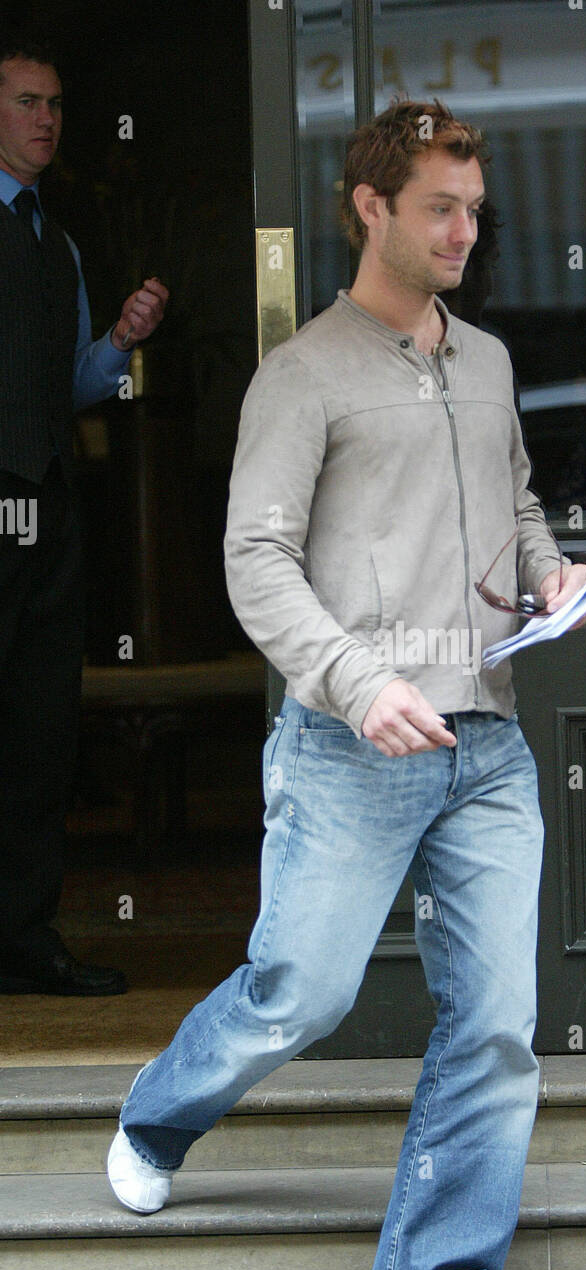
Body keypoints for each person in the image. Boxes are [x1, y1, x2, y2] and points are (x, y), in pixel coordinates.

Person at [109, 98, 586, 1270]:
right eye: (440, 208)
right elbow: (255, 562)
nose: (463, 232)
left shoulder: (484, 360)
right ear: (370, 206)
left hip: (486, 738)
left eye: (474, 210)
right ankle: (159, 1116)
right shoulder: (302, 373)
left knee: (495, 1023)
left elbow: (518, 498)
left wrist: (548, 570)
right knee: (301, 993)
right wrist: (358, 681)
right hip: (349, 744)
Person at [0, 31, 168, 995]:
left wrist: (117, 342)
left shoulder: (55, 243)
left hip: (47, 517)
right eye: (27, 101)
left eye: (55, 103)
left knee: (37, 736)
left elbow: (63, 386)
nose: (47, 119)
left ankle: (24, 939)